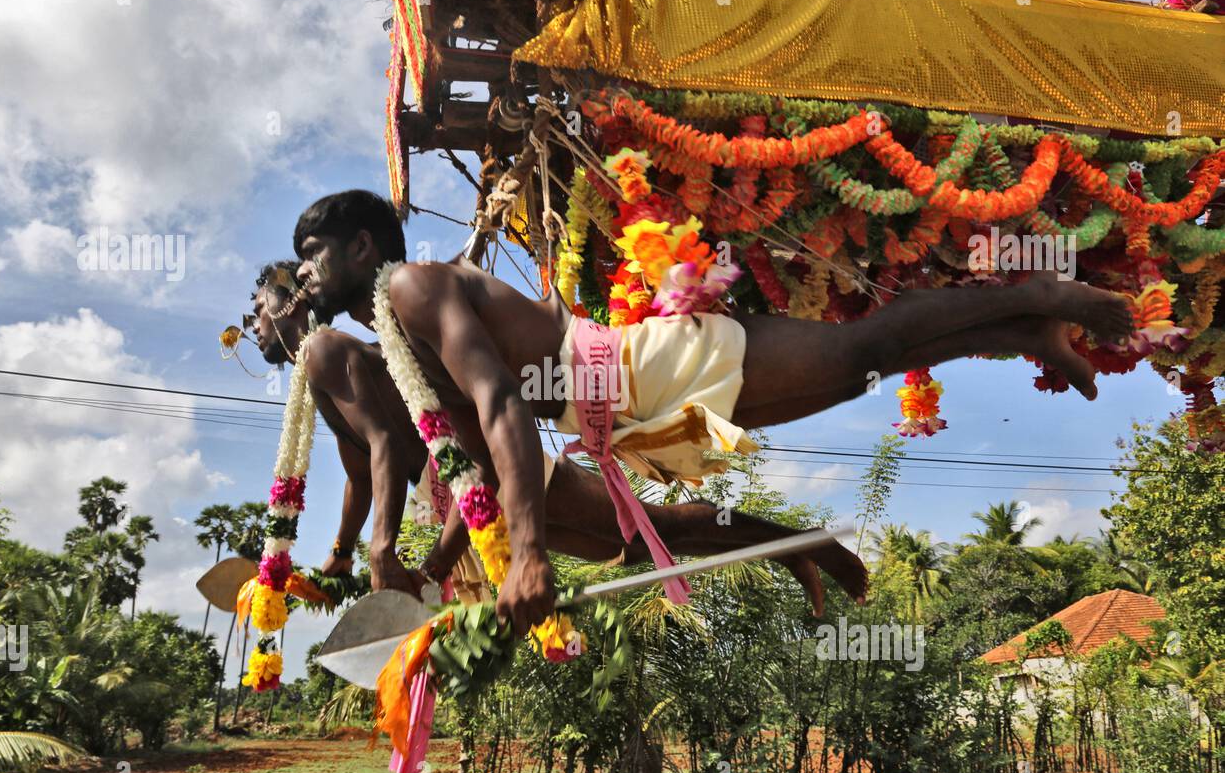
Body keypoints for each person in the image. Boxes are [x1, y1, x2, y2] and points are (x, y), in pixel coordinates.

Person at [296, 189, 1132, 630]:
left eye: (312, 256)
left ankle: (1038, 292)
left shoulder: (411, 287)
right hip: (620, 419)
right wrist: (432, 575)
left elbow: (504, 405)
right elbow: (480, 458)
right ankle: (1028, 328)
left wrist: (525, 556)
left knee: (854, 354)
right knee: (850, 377)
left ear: (364, 248)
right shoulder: (397, 345)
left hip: (634, 370)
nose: (303, 277)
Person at [251, 257, 868, 616]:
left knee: (649, 531)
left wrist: (381, 551)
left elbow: (387, 447)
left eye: (260, 309)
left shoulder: (323, 349)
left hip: (488, 475)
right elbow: (360, 471)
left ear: (291, 306)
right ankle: (790, 546)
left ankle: (797, 544)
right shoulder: (319, 370)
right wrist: (339, 551)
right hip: (465, 488)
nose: (253, 325)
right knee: (628, 548)